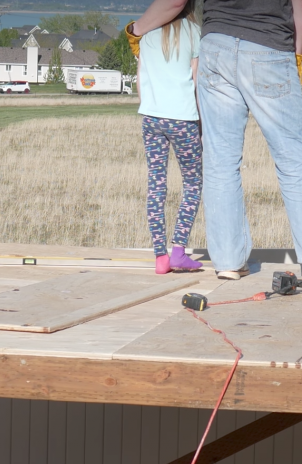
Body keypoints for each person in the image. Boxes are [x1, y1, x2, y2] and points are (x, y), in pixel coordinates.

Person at [126, 0, 302, 280]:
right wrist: (298, 52)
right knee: (292, 156)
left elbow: (175, 2)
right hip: (269, 42)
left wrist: (137, 30)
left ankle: (229, 262)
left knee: (220, 159)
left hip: (216, 46)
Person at [135, 0, 204, 274]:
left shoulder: (146, 35)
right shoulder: (194, 33)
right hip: (184, 118)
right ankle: (179, 250)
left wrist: (149, 108)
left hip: (151, 117)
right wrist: (200, 125)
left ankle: (160, 256)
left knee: (156, 184)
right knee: (192, 184)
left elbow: (140, 79)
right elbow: (196, 82)